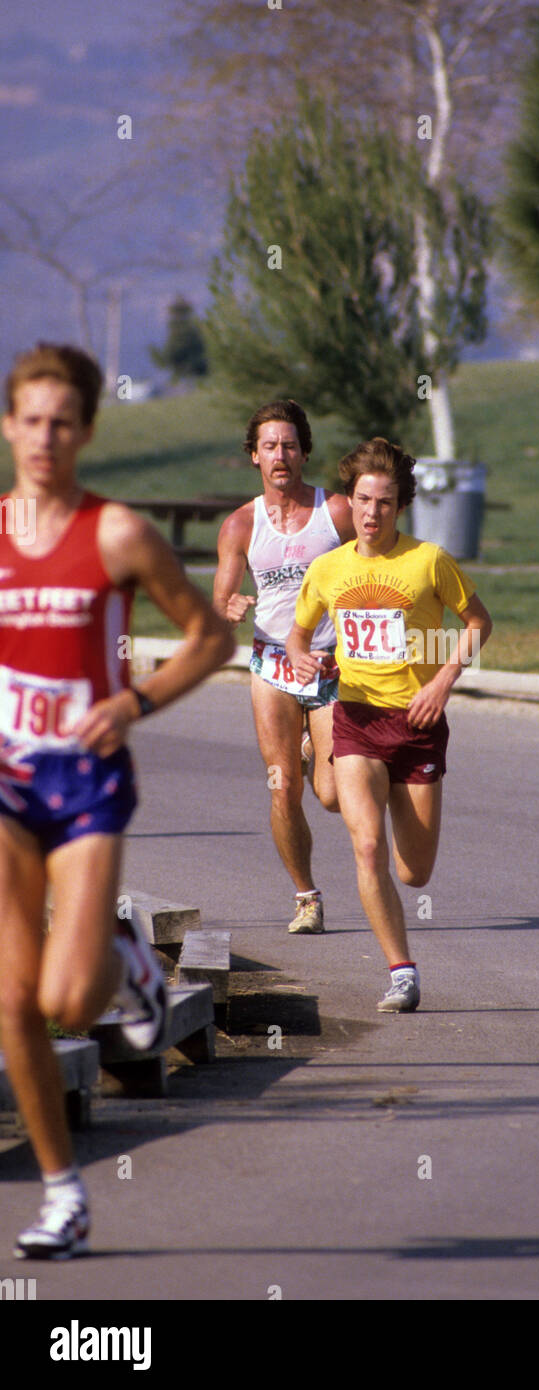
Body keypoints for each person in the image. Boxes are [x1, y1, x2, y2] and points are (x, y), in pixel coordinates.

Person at [0, 342, 234, 1260]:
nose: (45, 437)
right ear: (11, 426)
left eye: (63, 422)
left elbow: (209, 637)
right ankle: (62, 1193)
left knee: (67, 993)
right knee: (18, 1001)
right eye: (30, 420)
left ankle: (129, 961)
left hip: (88, 782)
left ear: (88, 430)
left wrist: (134, 702)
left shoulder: (116, 535)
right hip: (11, 780)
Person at [287, 438, 492, 1012]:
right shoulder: (328, 569)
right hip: (355, 717)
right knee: (368, 845)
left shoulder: (429, 562)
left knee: (414, 872)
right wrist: (303, 657)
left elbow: (479, 621)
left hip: (418, 724)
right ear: (348, 502)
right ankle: (401, 972)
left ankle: (314, 752)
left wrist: (443, 680)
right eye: (362, 499)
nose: (371, 512)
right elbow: (298, 633)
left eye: (384, 502)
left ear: (399, 507)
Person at [214, 400, 355, 935]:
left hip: (329, 665)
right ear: (254, 455)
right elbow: (221, 598)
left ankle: (311, 746)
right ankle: (307, 897)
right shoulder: (241, 525)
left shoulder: (335, 512)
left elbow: (374, 570)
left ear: (304, 452)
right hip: (272, 664)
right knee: (281, 787)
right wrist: (227, 607)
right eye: (269, 445)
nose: (280, 455)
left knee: (335, 794)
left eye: (290, 445)